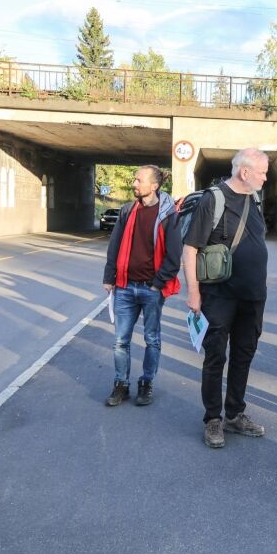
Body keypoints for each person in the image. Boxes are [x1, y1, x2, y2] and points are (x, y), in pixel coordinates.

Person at [182, 148, 270, 448]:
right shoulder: (214, 199)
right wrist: (193, 291)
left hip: (252, 298)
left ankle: (234, 413)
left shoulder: (255, 199)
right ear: (244, 172)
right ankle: (213, 419)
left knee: (243, 356)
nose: (266, 177)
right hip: (219, 297)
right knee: (216, 357)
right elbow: (191, 248)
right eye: (262, 172)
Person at [101, 165, 182, 407]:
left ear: (154, 186)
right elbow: (114, 244)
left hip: (151, 289)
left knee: (152, 339)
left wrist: (158, 284)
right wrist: (109, 276)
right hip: (125, 286)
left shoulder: (168, 214)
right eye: (134, 180)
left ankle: (146, 383)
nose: (134, 184)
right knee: (120, 341)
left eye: (139, 180)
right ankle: (121, 385)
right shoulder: (127, 211)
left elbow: (174, 254)